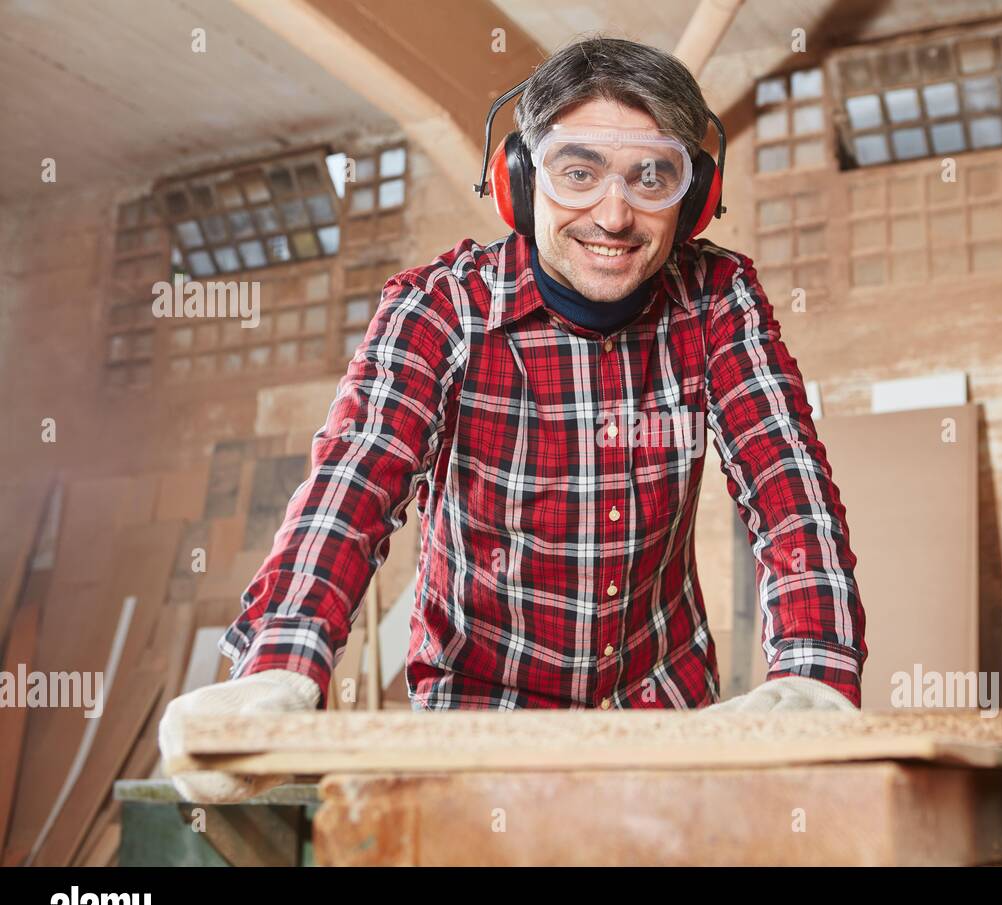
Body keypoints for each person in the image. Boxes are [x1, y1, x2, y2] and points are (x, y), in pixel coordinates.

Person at [160, 36, 867, 803]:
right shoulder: (439, 309)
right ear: (520, 182)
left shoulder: (718, 301)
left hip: (663, 718)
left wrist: (814, 674)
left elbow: (790, 492)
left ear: (692, 198)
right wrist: (281, 669)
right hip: (476, 725)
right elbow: (351, 488)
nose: (615, 213)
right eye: (579, 171)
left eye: (652, 176)